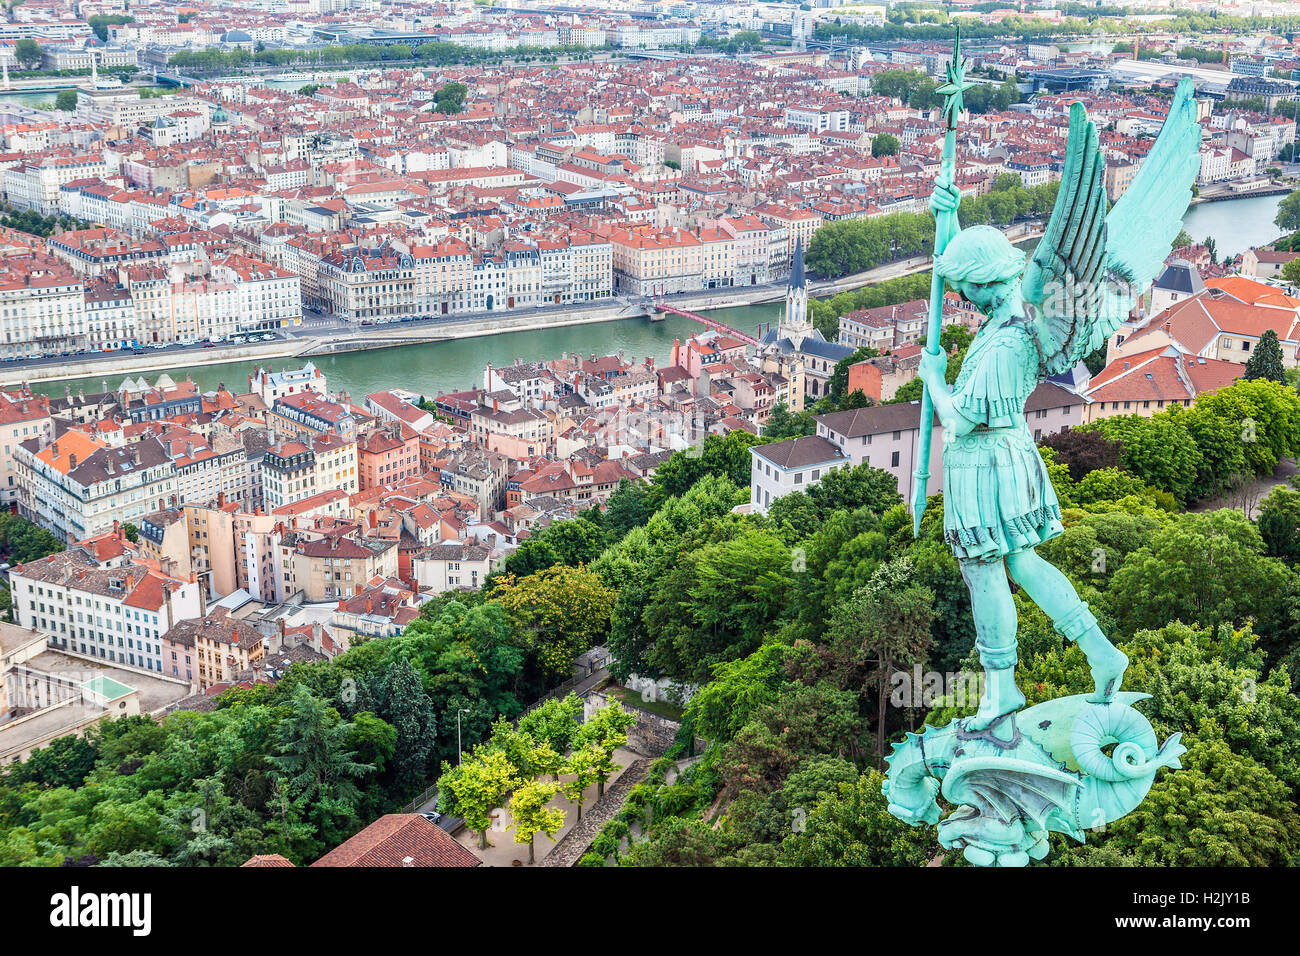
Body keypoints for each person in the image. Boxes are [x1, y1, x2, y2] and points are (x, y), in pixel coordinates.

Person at [919, 177, 1128, 738]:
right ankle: (1102, 654)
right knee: (1023, 564)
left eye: (966, 290)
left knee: (985, 574)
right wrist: (951, 219)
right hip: (1001, 459)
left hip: (985, 463)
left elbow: (960, 418)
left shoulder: (1010, 341)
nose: (960, 301)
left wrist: (934, 380)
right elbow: (969, 269)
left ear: (986, 285)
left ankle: (1002, 686)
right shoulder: (1009, 320)